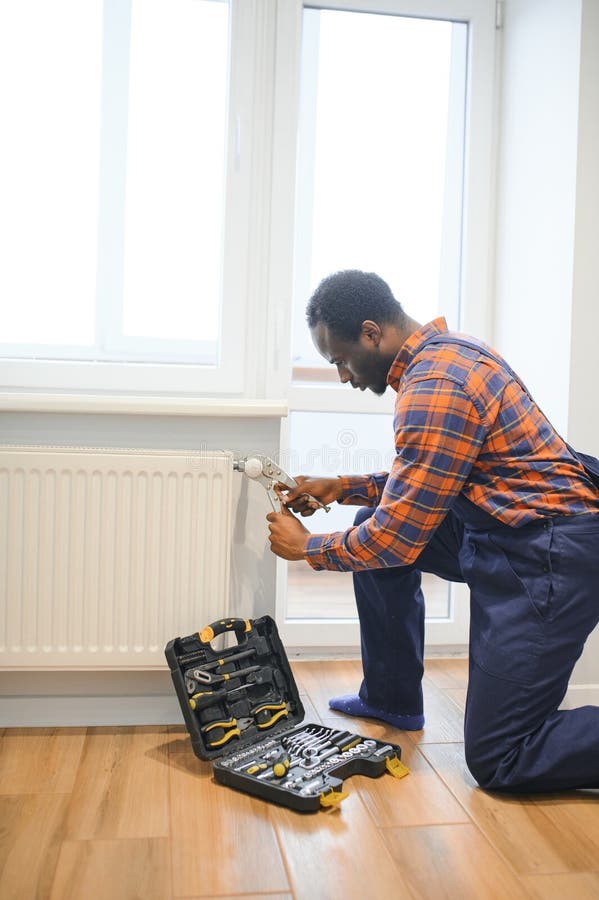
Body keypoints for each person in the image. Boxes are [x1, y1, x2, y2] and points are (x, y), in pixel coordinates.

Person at [267, 269, 599, 793]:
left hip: (548, 556)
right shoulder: (450, 352)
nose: (343, 377)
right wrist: (345, 486)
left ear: (372, 333)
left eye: (341, 360)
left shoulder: (435, 388)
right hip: (503, 532)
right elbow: (432, 481)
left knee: (500, 756)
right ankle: (392, 699)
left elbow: (395, 539)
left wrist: (307, 548)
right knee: (363, 521)